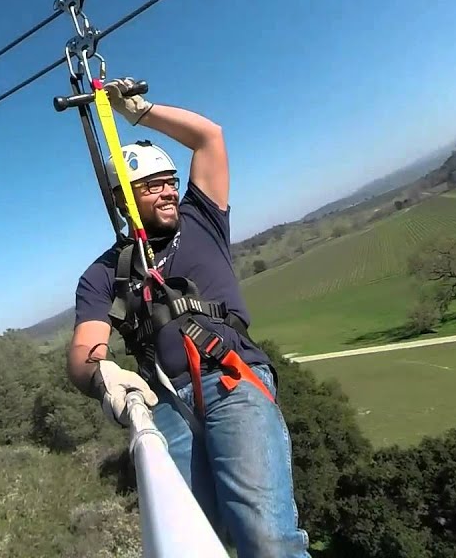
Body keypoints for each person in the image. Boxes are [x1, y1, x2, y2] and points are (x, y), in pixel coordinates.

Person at [66, 78, 311, 558]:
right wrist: (104, 378)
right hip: (165, 407)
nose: (166, 192)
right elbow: (83, 353)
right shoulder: (103, 275)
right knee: (191, 546)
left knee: (265, 537)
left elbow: (209, 137)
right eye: (150, 186)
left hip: (232, 382)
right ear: (122, 199)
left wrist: (138, 112)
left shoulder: (202, 219)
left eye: (169, 182)